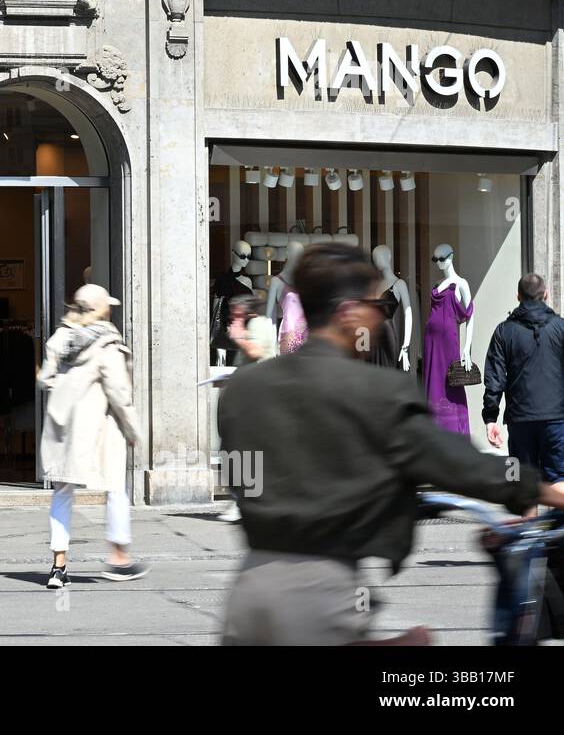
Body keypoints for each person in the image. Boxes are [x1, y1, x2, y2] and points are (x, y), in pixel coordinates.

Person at [218, 243, 564, 645]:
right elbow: (458, 462)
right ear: (349, 312)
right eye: (375, 307)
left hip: (249, 589)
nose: (380, 319)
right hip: (324, 590)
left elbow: (244, 480)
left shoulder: (242, 389)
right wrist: (535, 489)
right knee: (417, 642)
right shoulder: (375, 391)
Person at [38, 284, 146, 588]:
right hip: (98, 426)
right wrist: (132, 429)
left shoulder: (60, 338)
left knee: (61, 492)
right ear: (101, 309)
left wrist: (69, 385)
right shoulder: (107, 344)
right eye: (108, 306)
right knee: (115, 488)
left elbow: (46, 379)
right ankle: (119, 558)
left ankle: (58, 567)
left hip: (62, 425)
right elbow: (119, 392)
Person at [483, 272, 564, 495]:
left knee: (519, 481)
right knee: (558, 477)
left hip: (519, 420)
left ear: (518, 296)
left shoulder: (504, 331)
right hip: (556, 418)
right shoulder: (560, 327)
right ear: (546, 294)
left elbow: (495, 377)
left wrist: (490, 418)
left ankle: (527, 528)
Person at [217, 295, 276, 524]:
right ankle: (243, 500)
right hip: (246, 394)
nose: (233, 314)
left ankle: (246, 502)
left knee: (246, 449)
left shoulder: (258, 324)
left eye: (236, 310)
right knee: (236, 448)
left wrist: (239, 335)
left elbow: (256, 352)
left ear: (247, 310)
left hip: (256, 397)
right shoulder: (252, 324)